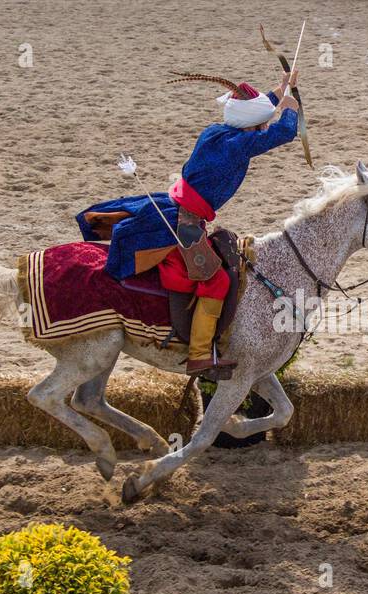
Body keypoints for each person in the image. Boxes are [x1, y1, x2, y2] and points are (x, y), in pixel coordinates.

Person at [76, 70, 300, 376]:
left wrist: (281, 90)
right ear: (251, 124)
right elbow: (284, 133)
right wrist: (290, 108)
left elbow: (255, 112)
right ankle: (198, 356)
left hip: (179, 207)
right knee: (217, 281)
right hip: (183, 220)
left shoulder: (218, 131)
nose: (263, 125)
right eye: (261, 121)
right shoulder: (238, 145)